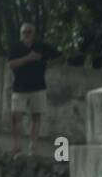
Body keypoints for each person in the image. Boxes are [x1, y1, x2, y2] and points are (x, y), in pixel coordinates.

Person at [6, 23, 61, 156]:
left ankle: (33, 147)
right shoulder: (16, 48)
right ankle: (17, 146)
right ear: (21, 34)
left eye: (29, 32)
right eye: (24, 32)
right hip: (19, 87)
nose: (27, 34)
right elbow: (10, 64)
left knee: (36, 116)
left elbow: (60, 57)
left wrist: (47, 65)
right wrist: (27, 58)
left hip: (38, 87)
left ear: (33, 33)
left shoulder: (41, 46)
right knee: (15, 116)